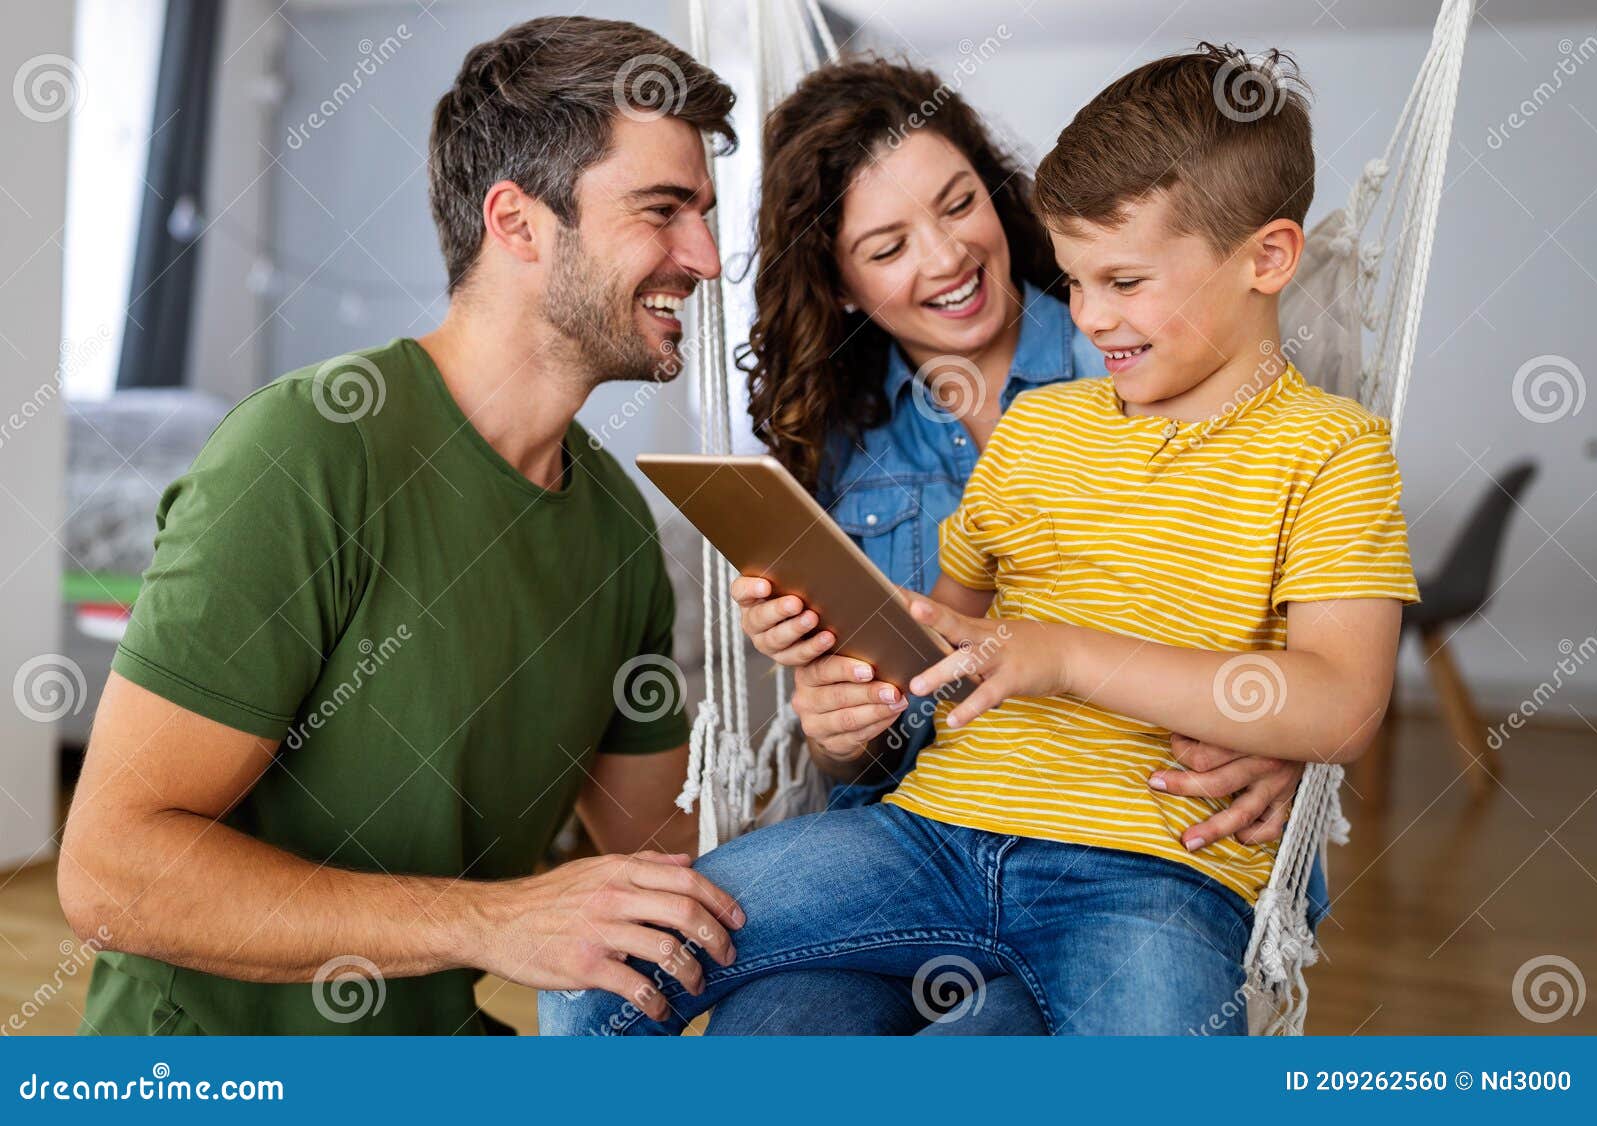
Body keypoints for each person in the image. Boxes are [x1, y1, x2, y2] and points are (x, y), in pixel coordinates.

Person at [540, 43, 1417, 1037]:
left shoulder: (1331, 449)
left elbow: (1339, 701)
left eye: (1119, 281)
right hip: (930, 834)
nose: (1088, 314)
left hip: (1150, 870)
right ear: (840, 285)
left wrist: (1099, 667)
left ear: (1267, 259)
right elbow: (943, 643)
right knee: (600, 960)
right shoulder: (1033, 430)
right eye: (1081, 282)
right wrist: (851, 666)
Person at [57, 17, 748, 1035]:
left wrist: (826, 726)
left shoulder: (616, 531)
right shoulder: (306, 453)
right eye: (663, 210)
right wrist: (494, 920)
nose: (705, 257)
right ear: (516, 222)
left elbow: (660, 858)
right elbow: (110, 875)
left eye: (705, 214)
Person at [715, 58, 1315, 1035]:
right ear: (842, 285)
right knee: (770, 1034)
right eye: (888, 244)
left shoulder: (1162, 344)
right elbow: (885, 750)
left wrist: (1286, 741)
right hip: (915, 844)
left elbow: (1308, 636)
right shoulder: (843, 445)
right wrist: (838, 733)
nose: (947, 254)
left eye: (959, 204)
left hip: (1134, 845)